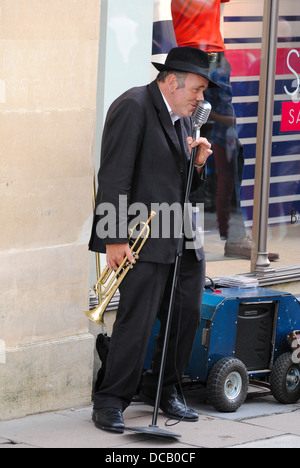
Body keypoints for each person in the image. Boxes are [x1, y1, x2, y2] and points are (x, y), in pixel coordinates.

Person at [89, 47, 217, 434]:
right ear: (173, 80)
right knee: (137, 321)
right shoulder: (133, 106)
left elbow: (183, 188)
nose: (201, 99)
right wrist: (113, 238)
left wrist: (198, 165)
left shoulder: (181, 119)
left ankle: (164, 388)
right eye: (197, 89)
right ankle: (110, 400)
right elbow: (113, 175)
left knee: (186, 316)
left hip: (180, 235)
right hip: (141, 236)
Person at [171, 0, 279, 261]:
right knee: (195, 147)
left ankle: (230, 234)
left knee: (223, 150)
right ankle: (203, 235)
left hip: (210, 61)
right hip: (200, 61)